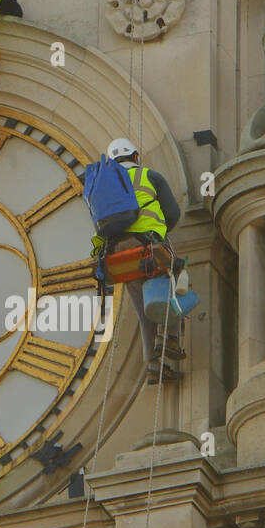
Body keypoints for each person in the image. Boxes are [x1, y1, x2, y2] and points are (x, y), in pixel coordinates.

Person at [92, 138, 185, 384]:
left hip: (116, 254)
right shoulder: (149, 176)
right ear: (135, 158)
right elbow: (173, 213)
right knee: (174, 282)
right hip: (147, 245)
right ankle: (170, 337)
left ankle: (153, 365)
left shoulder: (104, 186)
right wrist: (160, 232)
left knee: (142, 307)